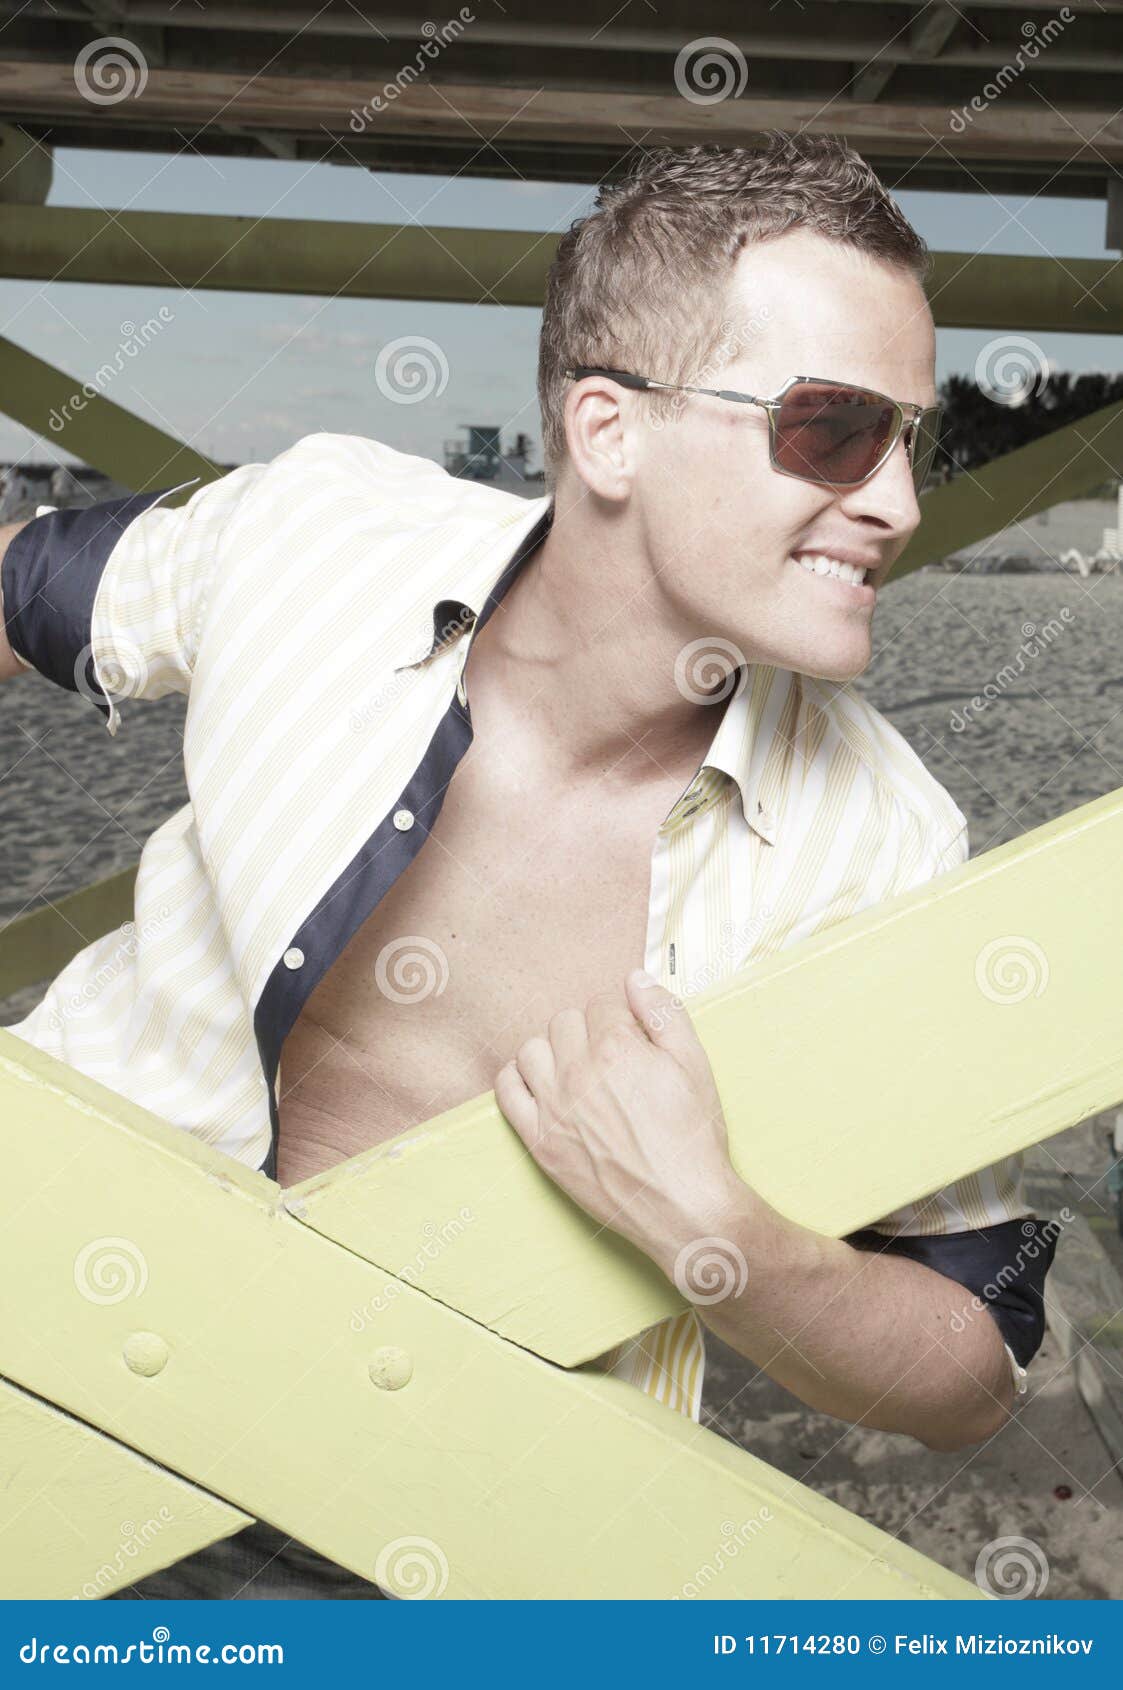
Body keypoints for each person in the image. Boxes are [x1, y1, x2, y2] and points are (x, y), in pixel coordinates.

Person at [0, 131, 1054, 1599]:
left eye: (912, 439)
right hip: (40, 1349)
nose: (900, 502)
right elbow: (28, 587)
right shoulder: (321, 536)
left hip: (433, 1534)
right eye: (833, 428)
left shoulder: (885, 844)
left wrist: (725, 1241)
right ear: (610, 429)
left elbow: (976, 1364)